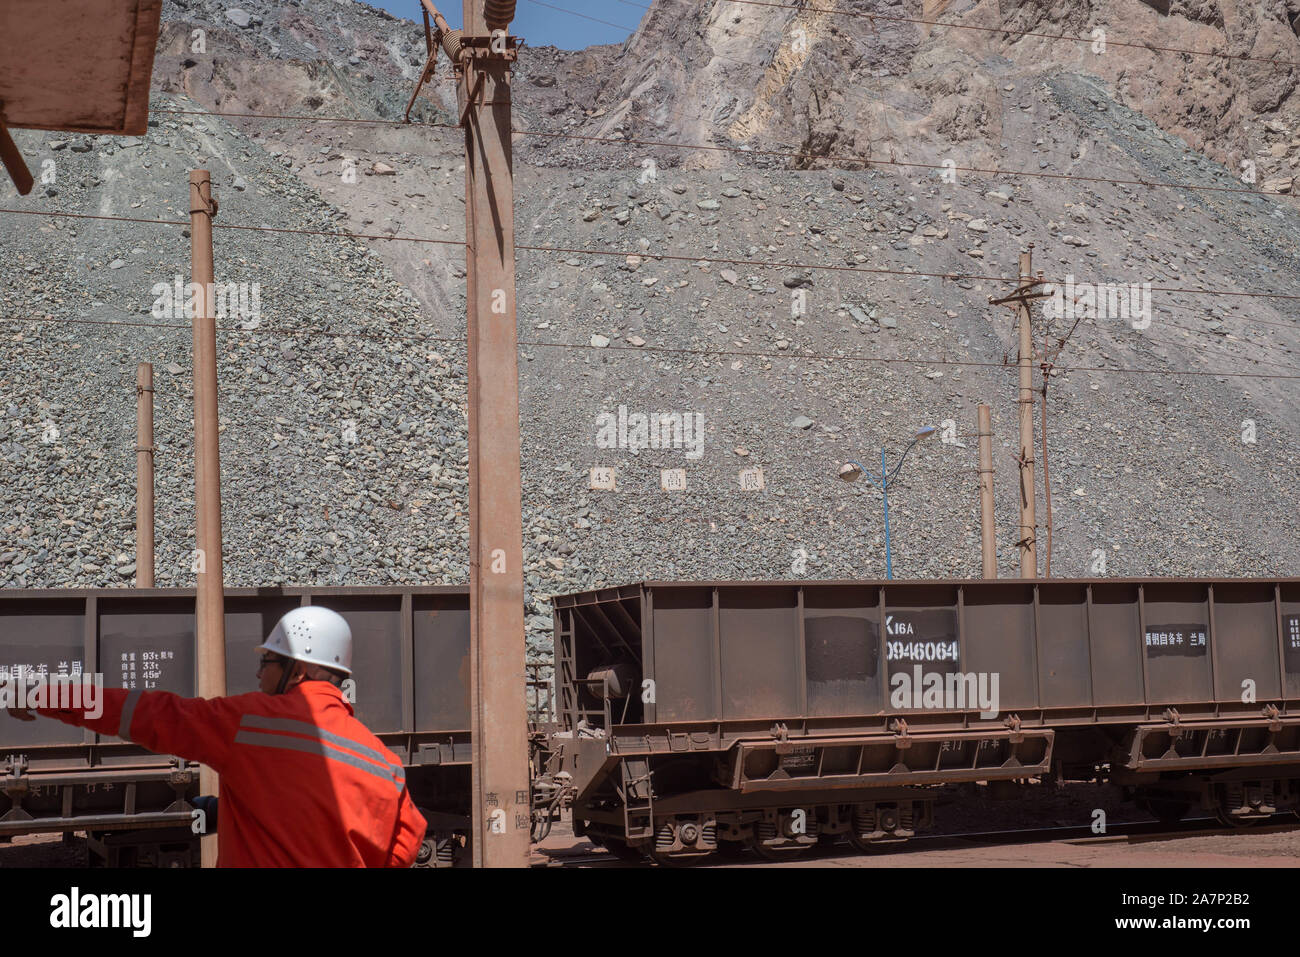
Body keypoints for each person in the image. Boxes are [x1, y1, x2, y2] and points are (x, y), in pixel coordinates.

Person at [4, 605, 427, 867]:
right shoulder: (383, 763)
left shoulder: (252, 725)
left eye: (268, 664)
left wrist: (41, 691)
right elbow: (403, 847)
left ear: (296, 671)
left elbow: (142, 712)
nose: (259, 675)